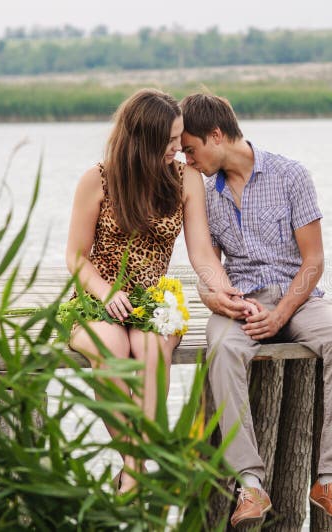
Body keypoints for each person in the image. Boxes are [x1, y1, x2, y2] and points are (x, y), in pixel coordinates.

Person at [180, 93, 332, 527]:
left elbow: (314, 262)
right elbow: (207, 264)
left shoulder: (290, 176)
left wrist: (280, 314)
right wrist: (214, 299)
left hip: (296, 298)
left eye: (190, 148)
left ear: (217, 135)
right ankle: (251, 485)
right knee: (221, 349)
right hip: (241, 301)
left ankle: (331, 479)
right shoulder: (205, 194)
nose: (188, 159)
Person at [65, 88, 239, 493]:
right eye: (171, 140)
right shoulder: (98, 179)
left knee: (148, 350)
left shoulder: (185, 177)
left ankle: (135, 466)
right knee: (109, 349)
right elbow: (75, 257)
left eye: (180, 138)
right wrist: (106, 292)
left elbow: (201, 252)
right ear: (142, 140)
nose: (179, 148)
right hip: (99, 293)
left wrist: (223, 289)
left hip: (153, 298)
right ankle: (135, 464)